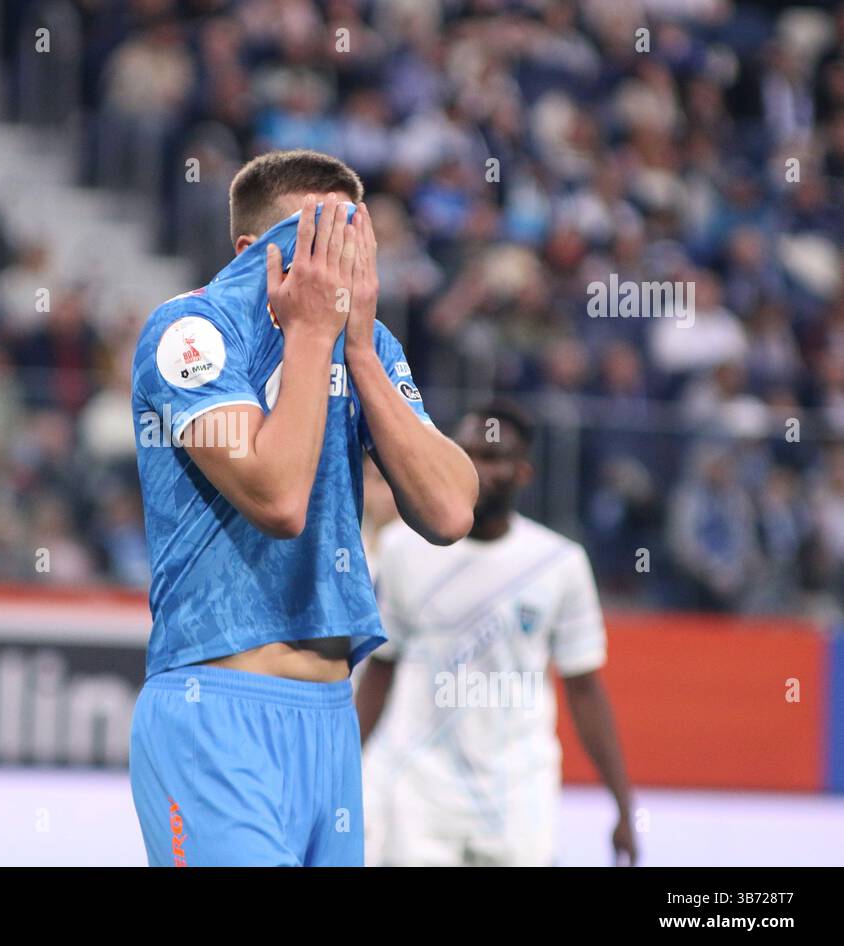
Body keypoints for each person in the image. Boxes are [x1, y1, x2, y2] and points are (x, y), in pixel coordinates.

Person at [127, 149, 478, 866]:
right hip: (215, 710)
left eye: (349, 240)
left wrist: (360, 350)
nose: (333, 264)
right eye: (312, 240)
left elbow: (449, 511)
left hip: (330, 722)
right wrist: (315, 333)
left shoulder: (366, 344)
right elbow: (279, 498)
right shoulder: (190, 334)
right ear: (251, 252)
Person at [357, 400, 637, 866]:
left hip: (518, 792)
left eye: (490, 457)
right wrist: (341, 768)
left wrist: (623, 806)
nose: (474, 468)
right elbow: (380, 674)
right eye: (464, 452)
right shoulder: (402, 550)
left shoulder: (559, 563)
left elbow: (585, 690)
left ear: (522, 472)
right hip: (419, 792)